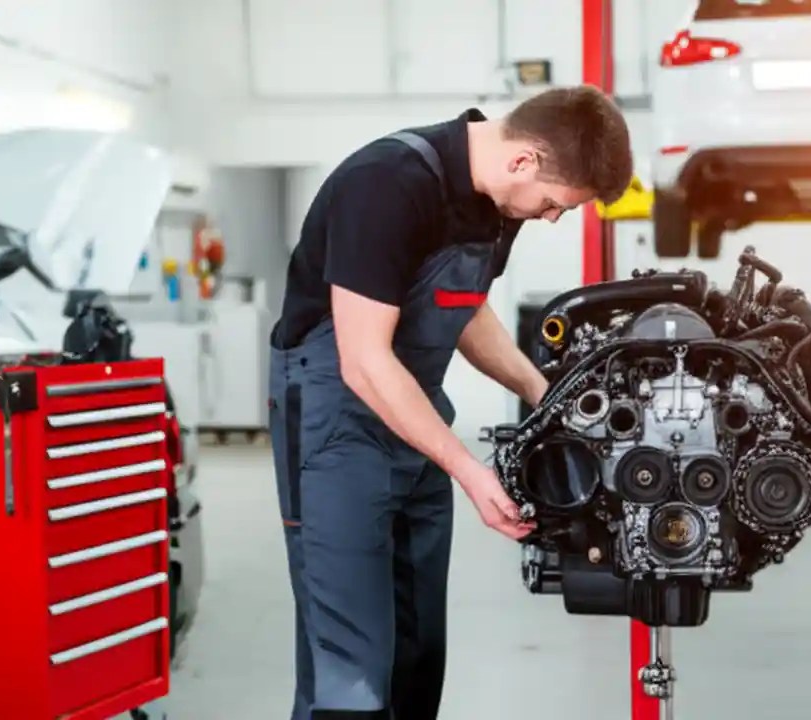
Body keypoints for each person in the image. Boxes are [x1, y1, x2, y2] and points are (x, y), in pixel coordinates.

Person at [267, 85, 634, 720]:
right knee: (350, 663)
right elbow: (363, 359)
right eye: (553, 205)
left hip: (415, 420)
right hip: (335, 424)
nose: (549, 217)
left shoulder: (498, 205)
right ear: (524, 160)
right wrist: (468, 469)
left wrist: (542, 391)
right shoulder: (385, 184)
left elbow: (462, 308)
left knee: (416, 653)